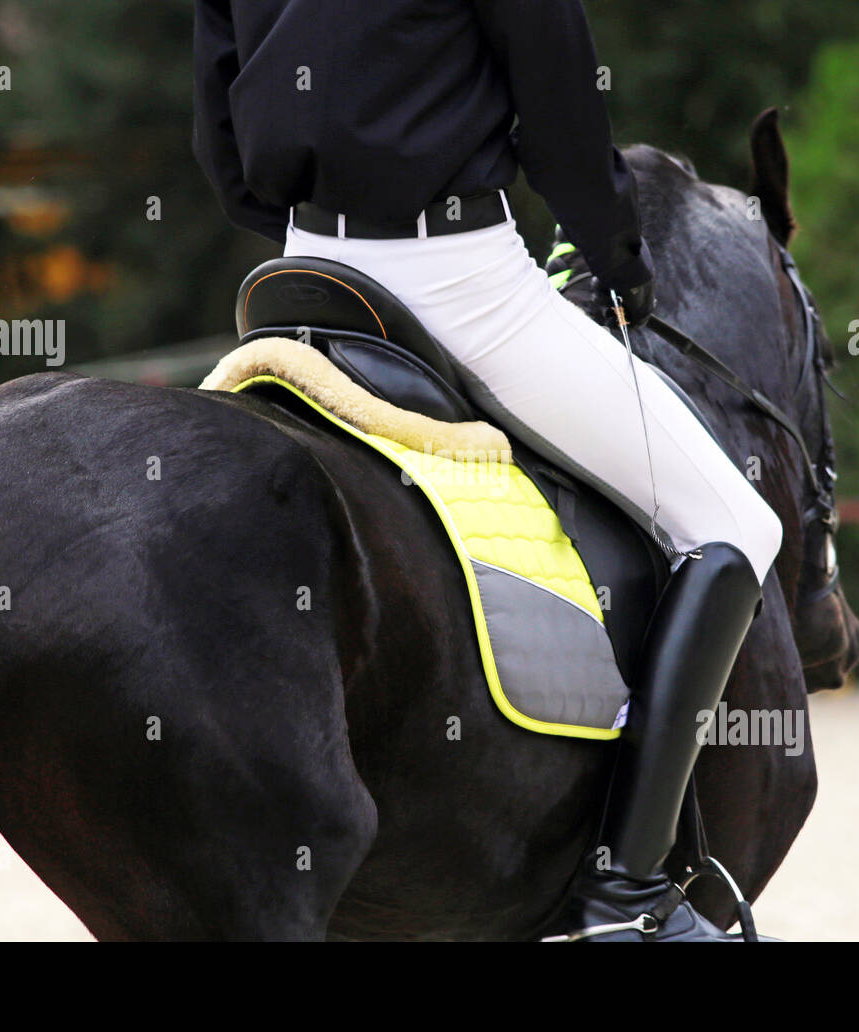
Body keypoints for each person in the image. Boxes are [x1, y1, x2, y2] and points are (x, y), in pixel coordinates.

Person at [193, 0, 783, 941]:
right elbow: (558, 106)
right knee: (738, 526)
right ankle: (623, 897)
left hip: (301, 275)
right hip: (459, 282)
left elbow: (221, 138)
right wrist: (616, 256)